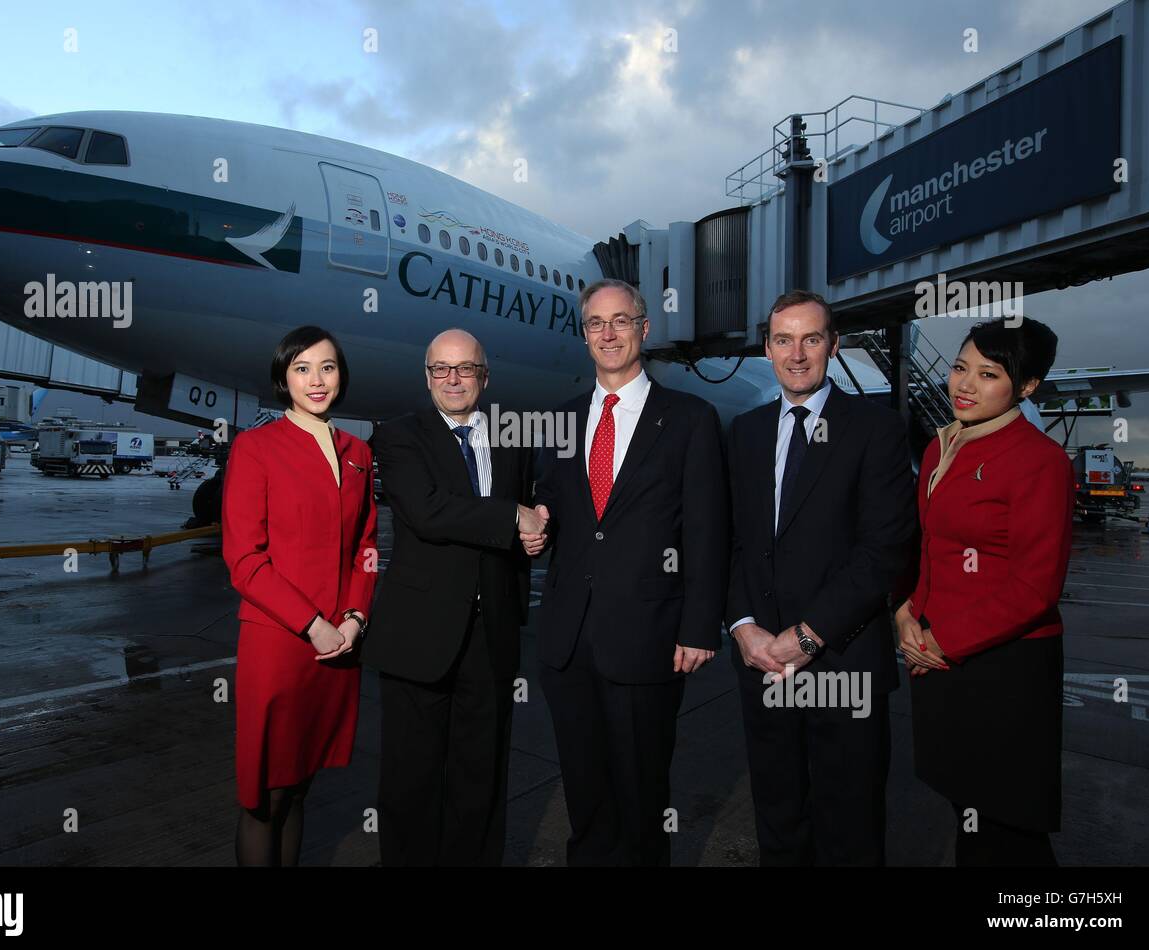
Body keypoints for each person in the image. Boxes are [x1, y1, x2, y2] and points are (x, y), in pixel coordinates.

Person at [529, 278, 728, 866]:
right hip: (569, 640)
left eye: (621, 321)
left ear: (644, 328)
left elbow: (708, 531)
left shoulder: (690, 418)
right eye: (596, 323)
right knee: (584, 793)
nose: (608, 333)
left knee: (642, 796)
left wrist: (699, 627)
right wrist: (537, 525)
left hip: (649, 638)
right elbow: (555, 507)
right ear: (584, 334)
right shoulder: (561, 421)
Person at [726, 290, 914, 866]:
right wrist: (743, 627)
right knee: (779, 822)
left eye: (812, 339)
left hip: (843, 662)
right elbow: (727, 543)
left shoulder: (876, 430)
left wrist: (807, 636)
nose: (798, 354)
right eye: (784, 340)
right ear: (767, 348)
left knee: (849, 828)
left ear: (834, 345)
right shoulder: (746, 432)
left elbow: (886, 551)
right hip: (763, 663)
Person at [362, 328, 542, 866]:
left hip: (492, 636)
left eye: (465, 369)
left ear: (484, 377)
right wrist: (513, 516)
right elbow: (427, 511)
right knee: (410, 781)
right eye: (441, 369)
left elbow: (534, 508)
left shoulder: (513, 436)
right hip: (420, 635)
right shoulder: (397, 436)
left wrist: (538, 529)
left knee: (481, 776)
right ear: (426, 377)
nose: (453, 379)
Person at [897, 317, 1071, 867]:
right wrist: (906, 614)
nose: (963, 385)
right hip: (938, 655)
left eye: (988, 374)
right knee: (967, 811)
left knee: (1009, 827)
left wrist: (942, 639)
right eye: (959, 367)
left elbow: (1035, 586)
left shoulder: (1041, 461)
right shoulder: (941, 448)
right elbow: (929, 548)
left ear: (1026, 387)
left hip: (1003, 666)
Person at [221, 325, 377, 866]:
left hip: (339, 644)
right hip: (282, 645)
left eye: (328, 367)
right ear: (283, 379)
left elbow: (365, 547)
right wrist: (314, 624)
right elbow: (244, 560)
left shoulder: (357, 453)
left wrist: (356, 616)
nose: (317, 380)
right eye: (302, 368)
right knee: (266, 796)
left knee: (303, 783)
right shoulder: (255, 447)